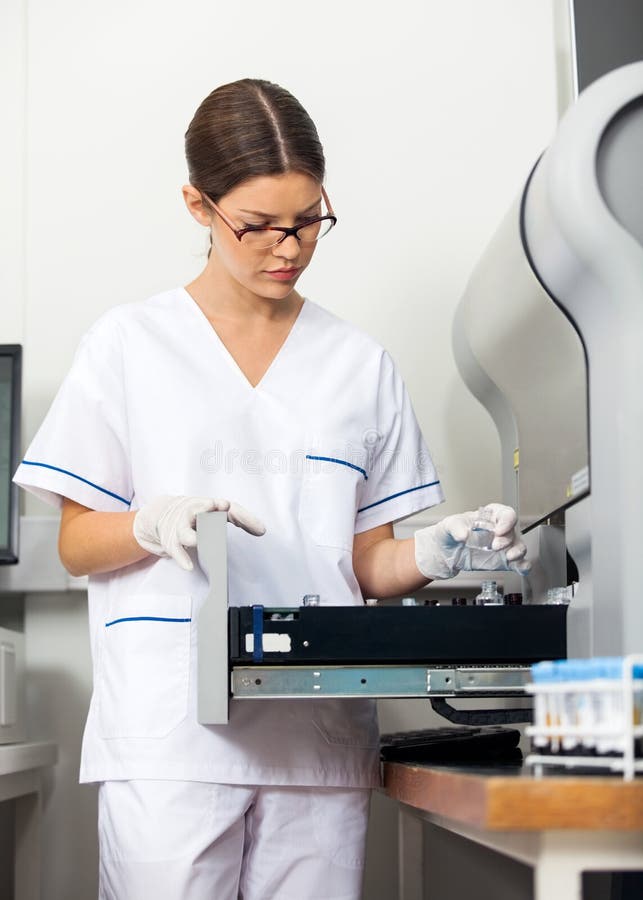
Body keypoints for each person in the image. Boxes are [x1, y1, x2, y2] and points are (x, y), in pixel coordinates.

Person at [14, 78, 529, 900]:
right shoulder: (128, 345)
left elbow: (366, 565)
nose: (287, 248)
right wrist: (150, 523)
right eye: (257, 225)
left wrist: (437, 550)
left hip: (314, 740)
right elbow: (76, 544)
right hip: (170, 735)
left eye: (308, 220)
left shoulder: (357, 364)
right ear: (198, 204)